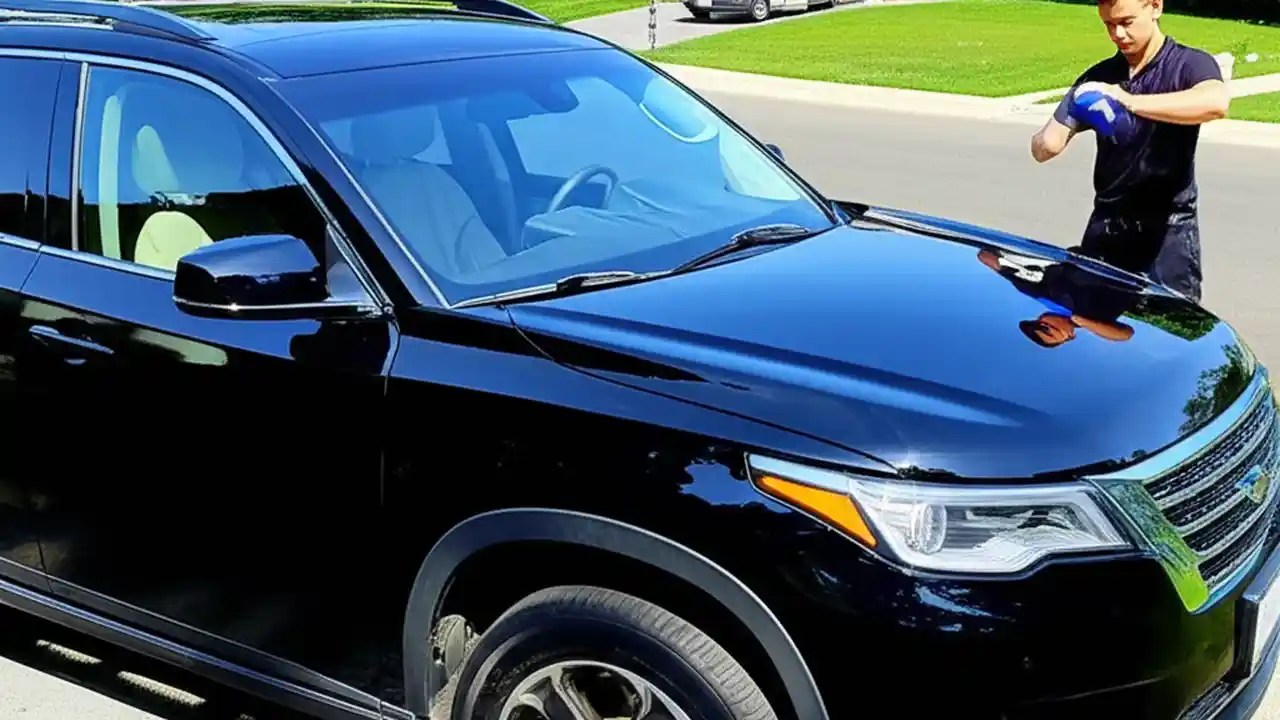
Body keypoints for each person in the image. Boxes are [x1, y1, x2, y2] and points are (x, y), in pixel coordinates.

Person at [1029, 0, 1230, 304]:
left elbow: (1215, 103)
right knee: (1089, 324)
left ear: (1156, 7)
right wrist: (1074, 106)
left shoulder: (1189, 64)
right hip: (1107, 227)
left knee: (1164, 328)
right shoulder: (1101, 77)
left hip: (1167, 232)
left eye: (1126, 22)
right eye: (1109, 25)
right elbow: (1044, 148)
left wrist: (1128, 101)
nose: (1118, 34)